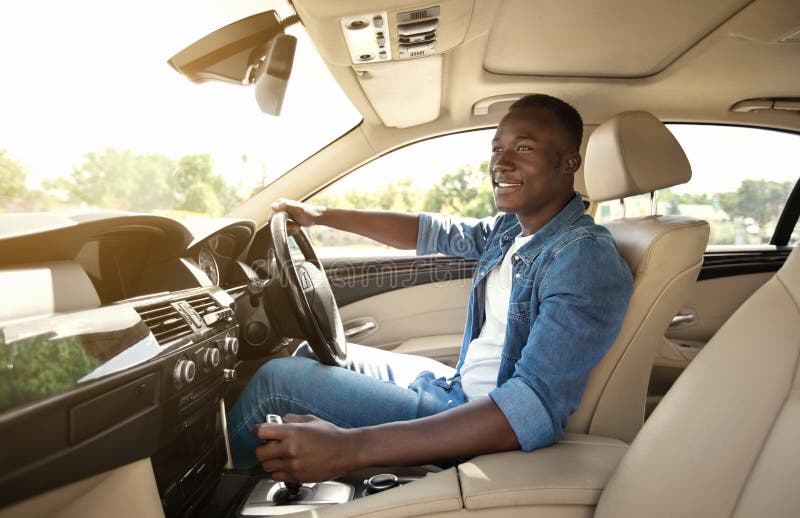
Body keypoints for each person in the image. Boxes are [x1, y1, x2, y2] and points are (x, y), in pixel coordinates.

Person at [226, 94, 633, 483]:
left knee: (276, 382)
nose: (501, 163)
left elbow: (530, 407)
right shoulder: (513, 229)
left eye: (523, 148)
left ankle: (217, 493)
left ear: (568, 162)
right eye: (497, 149)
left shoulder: (582, 257)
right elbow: (432, 231)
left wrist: (349, 448)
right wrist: (319, 215)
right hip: (455, 387)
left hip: (477, 421)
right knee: (309, 354)